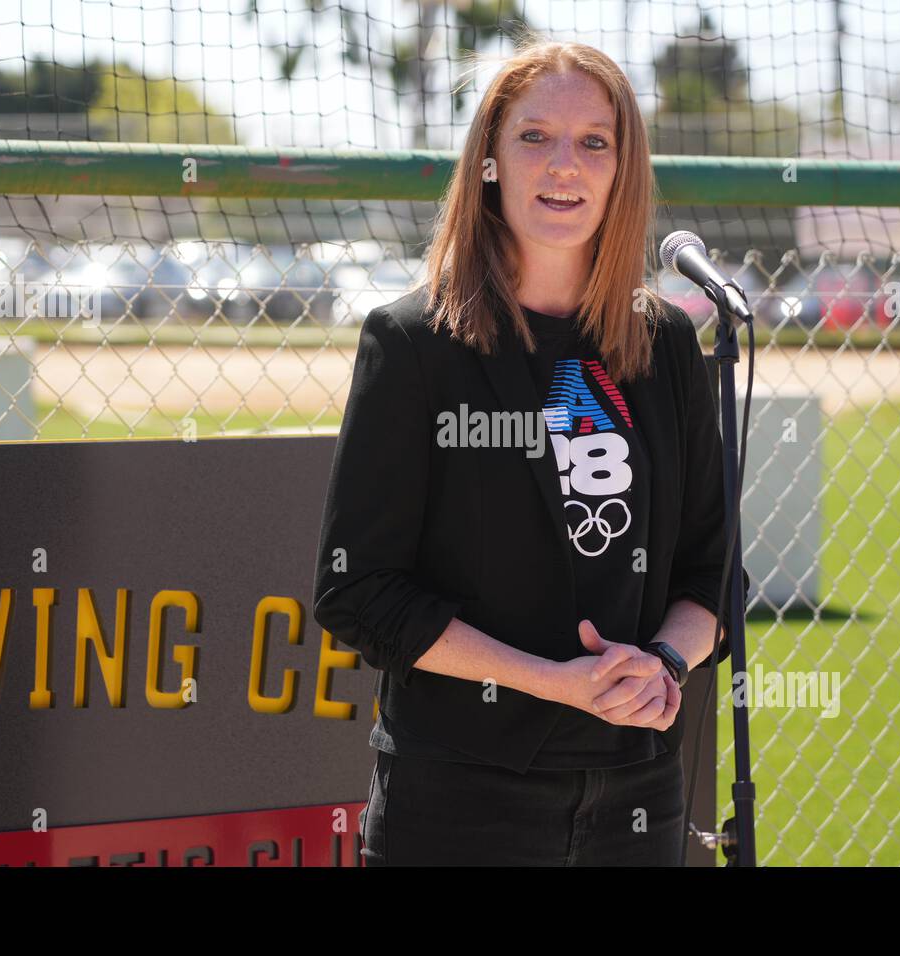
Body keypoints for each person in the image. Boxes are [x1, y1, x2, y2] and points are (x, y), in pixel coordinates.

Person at [312, 37, 749, 866]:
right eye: (534, 136)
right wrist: (553, 681)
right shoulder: (412, 343)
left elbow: (714, 578)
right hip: (459, 801)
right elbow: (357, 592)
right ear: (488, 161)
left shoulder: (665, 345)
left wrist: (661, 663)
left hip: (640, 797)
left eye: (594, 142)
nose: (565, 165)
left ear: (623, 170)